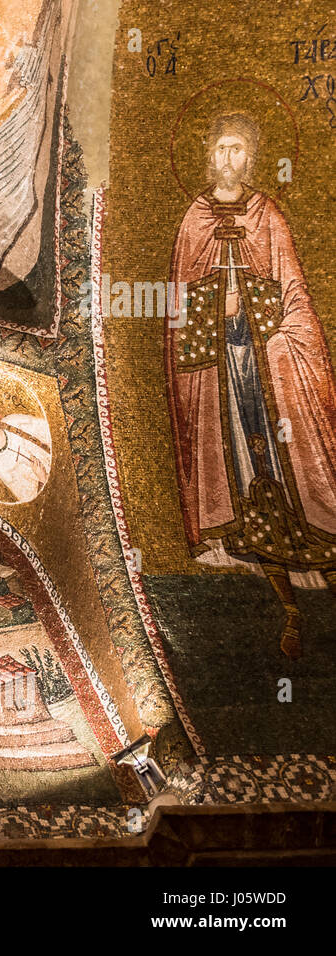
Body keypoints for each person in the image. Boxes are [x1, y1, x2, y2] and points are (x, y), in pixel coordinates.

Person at [166, 111, 336, 659]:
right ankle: (283, 596)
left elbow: (294, 289)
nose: (228, 159)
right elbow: (177, 306)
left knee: (286, 460)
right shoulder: (193, 220)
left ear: (253, 156)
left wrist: (282, 339)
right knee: (240, 463)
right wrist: (219, 302)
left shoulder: (268, 215)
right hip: (220, 367)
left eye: (238, 149)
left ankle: (309, 563)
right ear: (207, 155)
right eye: (220, 149)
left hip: (270, 363)